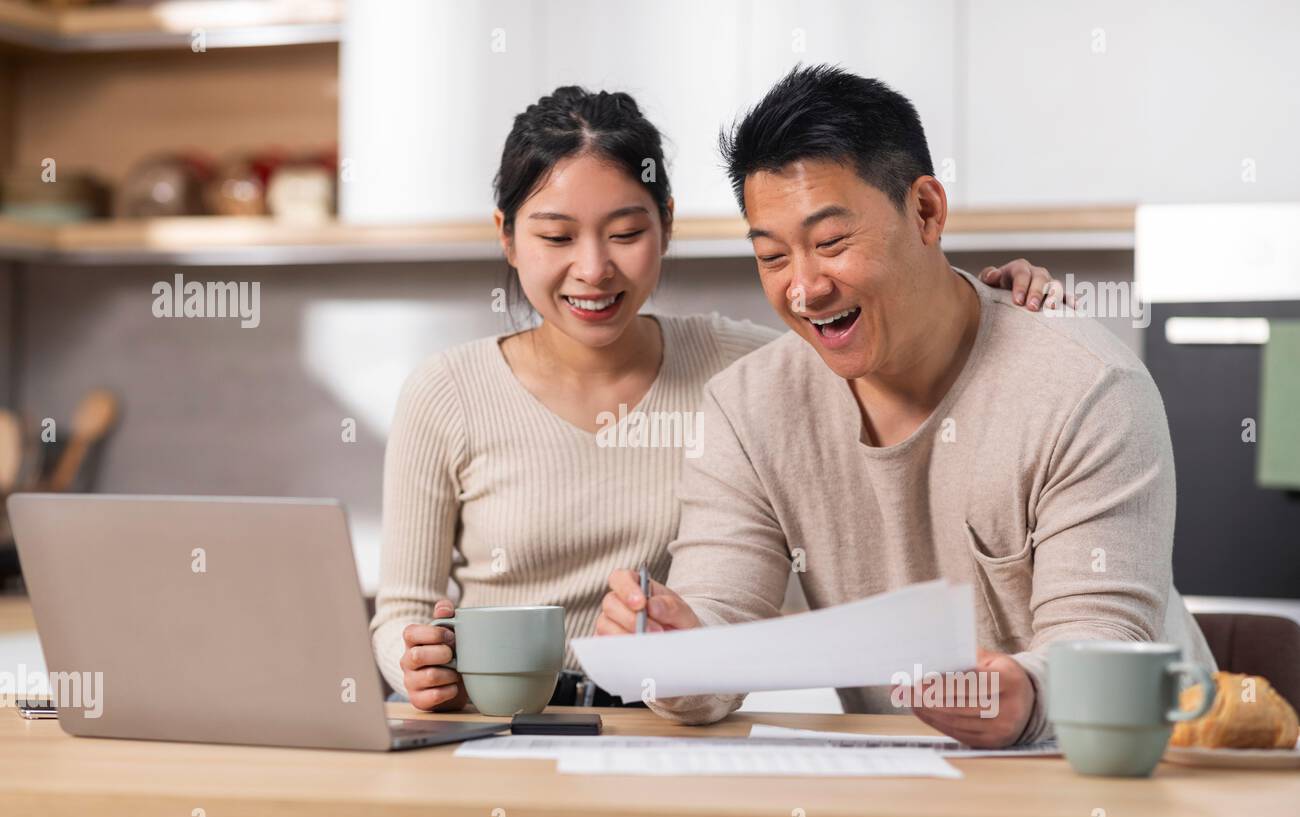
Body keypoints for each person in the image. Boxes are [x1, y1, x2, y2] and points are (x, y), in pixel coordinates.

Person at [372, 83, 1065, 713]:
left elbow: (881, 340)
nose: (592, 269)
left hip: (668, 720)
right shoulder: (447, 393)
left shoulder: (746, 369)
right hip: (505, 719)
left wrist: (996, 307)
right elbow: (402, 607)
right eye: (556, 236)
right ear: (507, 237)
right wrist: (416, 664)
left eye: (626, 233)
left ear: (666, 225)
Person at [596, 65, 1213, 747]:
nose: (803, 289)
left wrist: (1029, 695)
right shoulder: (748, 408)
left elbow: (1104, 647)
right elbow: (716, 623)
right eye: (772, 256)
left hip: (1129, 770)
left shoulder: (1085, 389)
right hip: (911, 784)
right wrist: (675, 650)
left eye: (831, 243)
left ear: (925, 211)